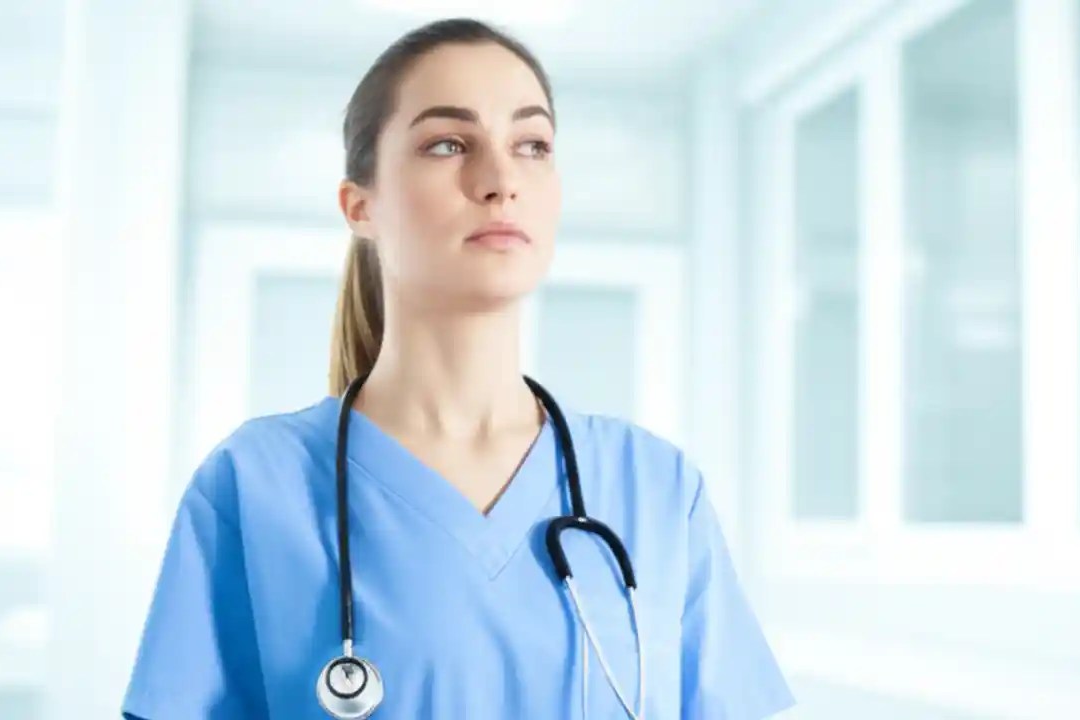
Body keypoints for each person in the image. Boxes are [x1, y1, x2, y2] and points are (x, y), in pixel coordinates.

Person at [121, 17, 795, 720]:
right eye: (448, 144)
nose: (501, 180)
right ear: (361, 206)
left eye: (531, 145)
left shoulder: (655, 489)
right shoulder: (256, 487)